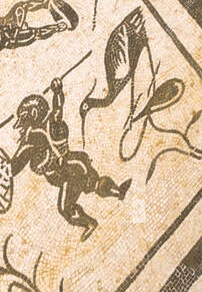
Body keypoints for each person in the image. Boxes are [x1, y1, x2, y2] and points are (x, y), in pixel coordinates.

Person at [11, 80, 129, 240]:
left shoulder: (41, 133)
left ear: (33, 114)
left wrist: (58, 92)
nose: (21, 124)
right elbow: (57, 109)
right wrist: (57, 91)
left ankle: (89, 223)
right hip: (78, 162)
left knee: (65, 208)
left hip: (68, 172)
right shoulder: (45, 129)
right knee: (94, 183)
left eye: (24, 118)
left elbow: (15, 166)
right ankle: (117, 192)